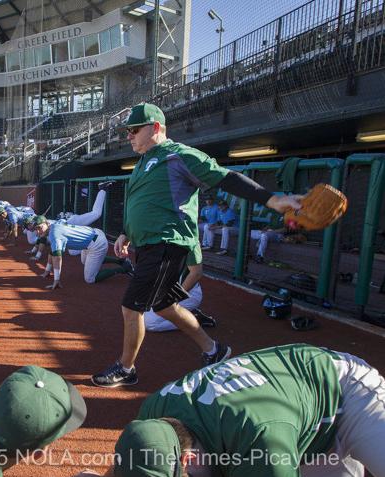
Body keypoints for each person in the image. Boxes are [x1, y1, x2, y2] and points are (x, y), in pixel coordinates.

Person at [94, 102, 301, 388]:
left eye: (133, 130)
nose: (127, 136)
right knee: (165, 307)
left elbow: (224, 177)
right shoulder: (142, 163)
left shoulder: (179, 155)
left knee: (131, 308)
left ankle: (126, 369)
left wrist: (272, 199)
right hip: (148, 244)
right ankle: (214, 350)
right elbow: (142, 204)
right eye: (127, 131)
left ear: (155, 128)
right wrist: (125, 234)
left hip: (166, 243)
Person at [72, 343, 385, 477]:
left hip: (348, 390)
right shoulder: (154, 411)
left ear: (190, 459)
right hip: (294, 416)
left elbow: (263, 449)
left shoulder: (261, 453)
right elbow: (137, 450)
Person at [31, 216, 130, 288]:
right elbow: (52, 253)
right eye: (36, 229)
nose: (38, 231)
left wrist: (56, 279)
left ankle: (123, 269)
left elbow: (57, 258)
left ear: (47, 223)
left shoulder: (54, 235)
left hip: (97, 243)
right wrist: (47, 271)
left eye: (40, 227)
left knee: (90, 279)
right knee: (84, 261)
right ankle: (120, 261)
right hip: (93, 234)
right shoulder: (54, 223)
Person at [143, 246, 216, 331]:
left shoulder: (189, 241)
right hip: (166, 290)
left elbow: (196, 274)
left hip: (188, 292)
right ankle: (184, 313)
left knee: (150, 323)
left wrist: (172, 300)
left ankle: (194, 319)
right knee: (140, 313)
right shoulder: (158, 240)